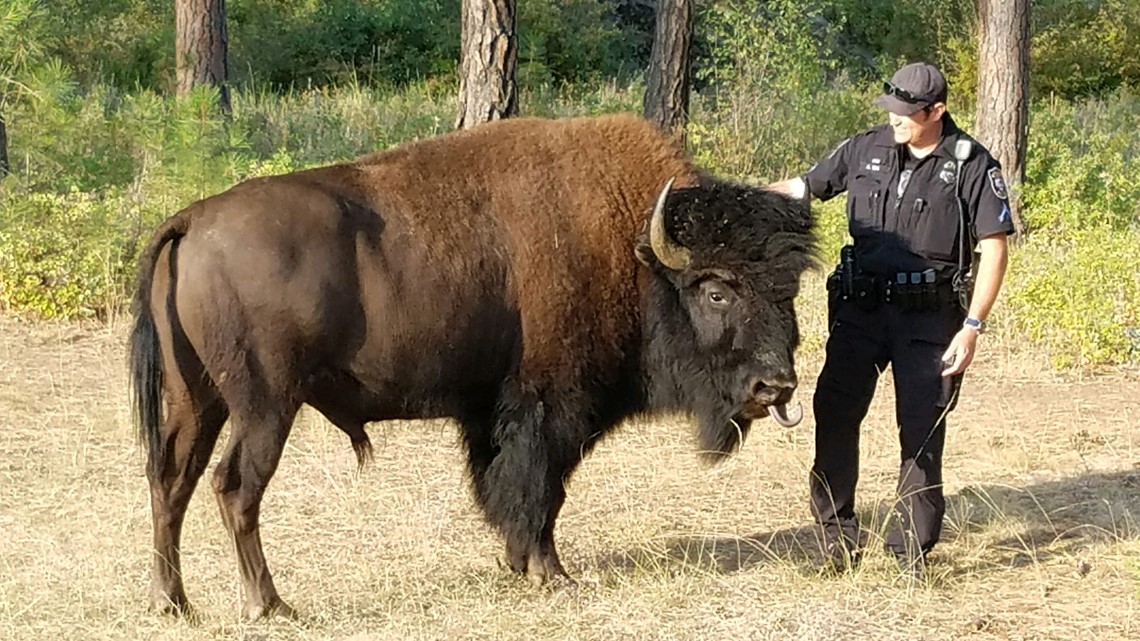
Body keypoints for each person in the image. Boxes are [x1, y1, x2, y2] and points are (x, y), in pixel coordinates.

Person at [768, 62, 1013, 578]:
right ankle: (837, 541)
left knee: (920, 432)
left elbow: (994, 247)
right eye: (892, 111)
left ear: (936, 112)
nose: (896, 121)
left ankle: (910, 556)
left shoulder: (971, 164)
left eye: (907, 114)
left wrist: (973, 327)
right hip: (860, 309)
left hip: (930, 320)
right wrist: (740, 199)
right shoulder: (864, 148)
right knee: (833, 412)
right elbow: (803, 187)